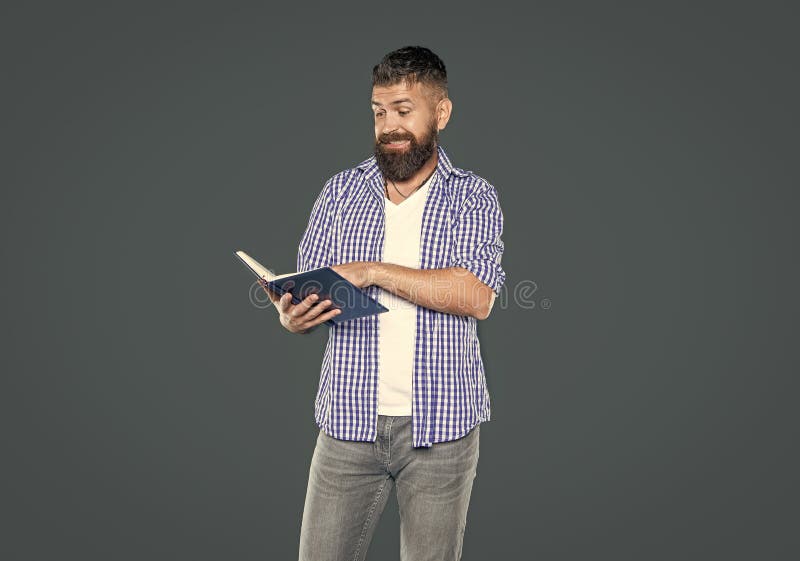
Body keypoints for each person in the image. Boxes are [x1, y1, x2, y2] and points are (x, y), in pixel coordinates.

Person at [259, 45, 506, 561]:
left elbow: (476, 296)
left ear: (440, 113)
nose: (389, 126)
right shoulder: (340, 193)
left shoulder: (473, 197)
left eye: (403, 110)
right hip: (347, 423)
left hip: (442, 428)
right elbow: (312, 289)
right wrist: (292, 316)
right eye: (378, 112)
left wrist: (372, 271)